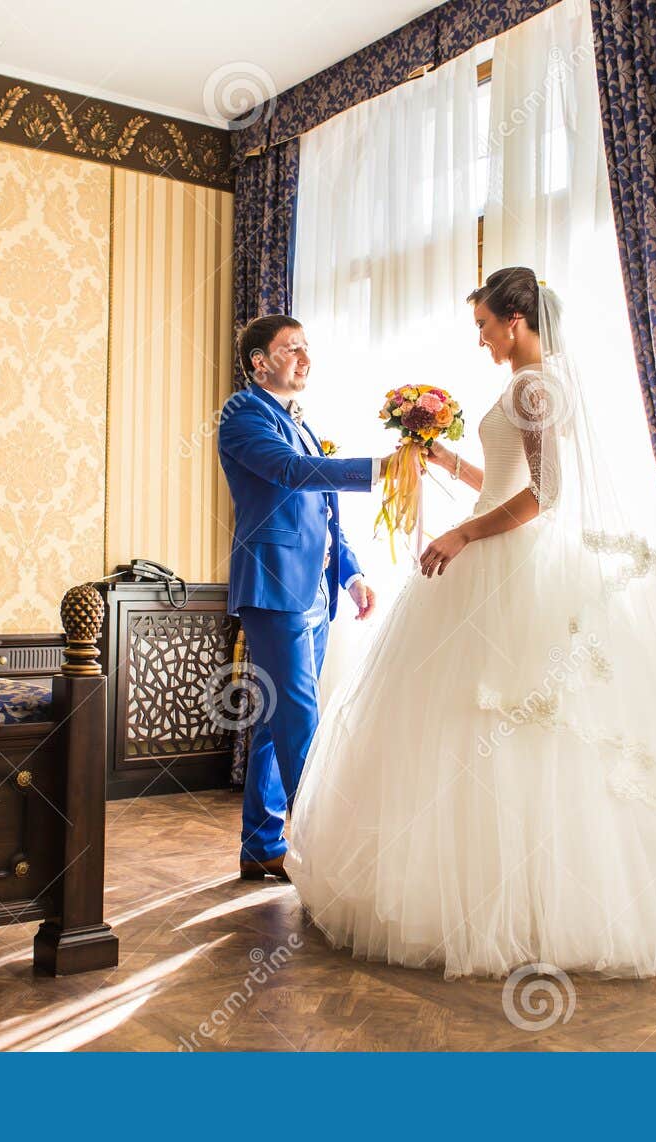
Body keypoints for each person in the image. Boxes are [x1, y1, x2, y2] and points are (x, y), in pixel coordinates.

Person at [286, 267, 656, 978]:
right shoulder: (529, 384)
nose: (481, 339)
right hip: (501, 549)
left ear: (514, 321)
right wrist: (444, 458)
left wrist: (463, 534)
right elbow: (505, 481)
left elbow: (546, 495)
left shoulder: (533, 386)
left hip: (510, 563)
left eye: (484, 325)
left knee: (502, 721)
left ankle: (520, 909)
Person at [216, 315, 395, 882]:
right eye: (291, 348)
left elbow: (320, 511)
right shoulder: (243, 415)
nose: (304, 358)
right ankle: (324, 858)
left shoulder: (299, 420)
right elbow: (291, 472)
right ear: (259, 362)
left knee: (276, 721)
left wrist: (351, 574)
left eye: (306, 348)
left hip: (315, 590)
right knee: (300, 718)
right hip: (275, 587)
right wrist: (381, 470)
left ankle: (261, 845)